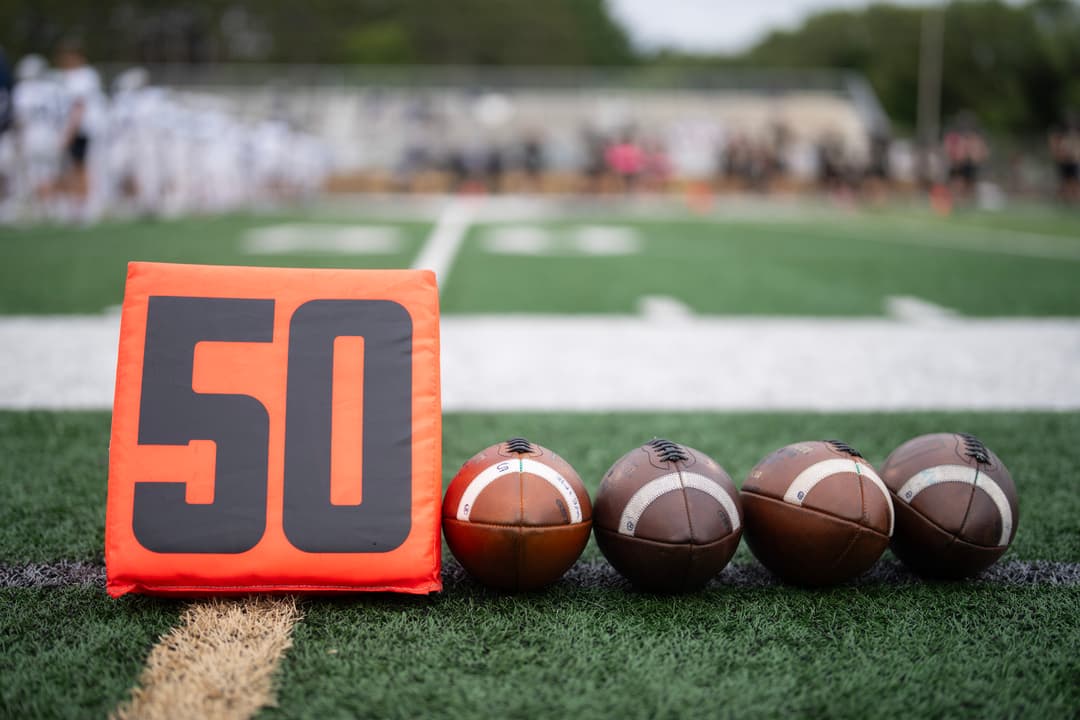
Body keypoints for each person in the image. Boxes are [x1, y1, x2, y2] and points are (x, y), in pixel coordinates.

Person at [55, 38, 108, 222]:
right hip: (82, 128)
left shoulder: (81, 76)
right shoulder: (78, 76)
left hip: (84, 128)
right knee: (77, 167)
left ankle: (84, 207)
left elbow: (79, 107)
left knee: (81, 167)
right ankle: (79, 206)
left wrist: (68, 132)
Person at [1049, 114, 1080, 204]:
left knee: (1074, 182)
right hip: (1065, 162)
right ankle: (1066, 200)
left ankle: (1074, 200)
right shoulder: (1062, 136)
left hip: (1073, 162)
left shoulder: (1074, 135)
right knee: (1065, 182)